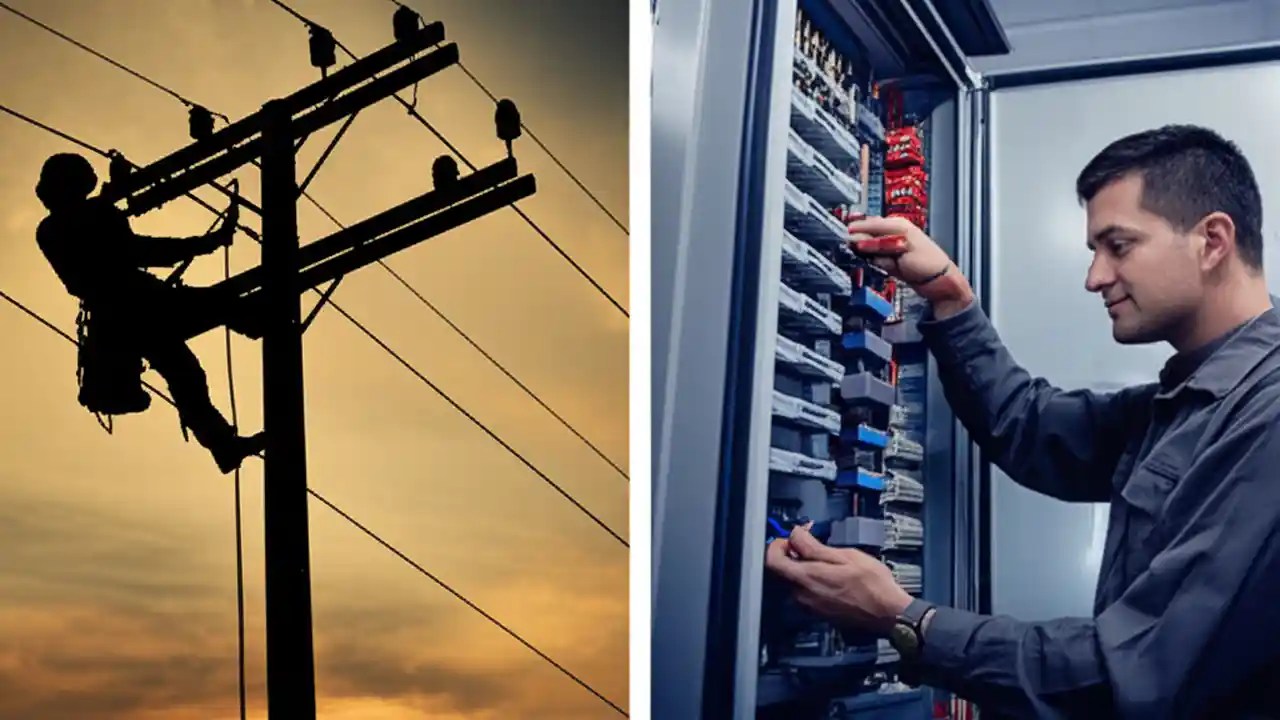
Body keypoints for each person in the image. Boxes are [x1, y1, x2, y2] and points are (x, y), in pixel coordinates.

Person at [765, 124, 1280, 718]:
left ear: (1212, 240)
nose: (1095, 277)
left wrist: (904, 619)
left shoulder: (1264, 419)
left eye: (1119, 245)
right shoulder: (1191, 398)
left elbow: (1132, 674)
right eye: (1094, 251)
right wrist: (951, 299)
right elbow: (1033, 426)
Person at [35, 152, 266, 474]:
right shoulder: (84, 218)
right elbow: (136, 250)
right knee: (215, 314)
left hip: (118, 320)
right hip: (137, 306)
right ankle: (263, 324)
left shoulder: (51, 229)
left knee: (187, 373)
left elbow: (121, 252)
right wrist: (203, 244)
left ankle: (224, 446)